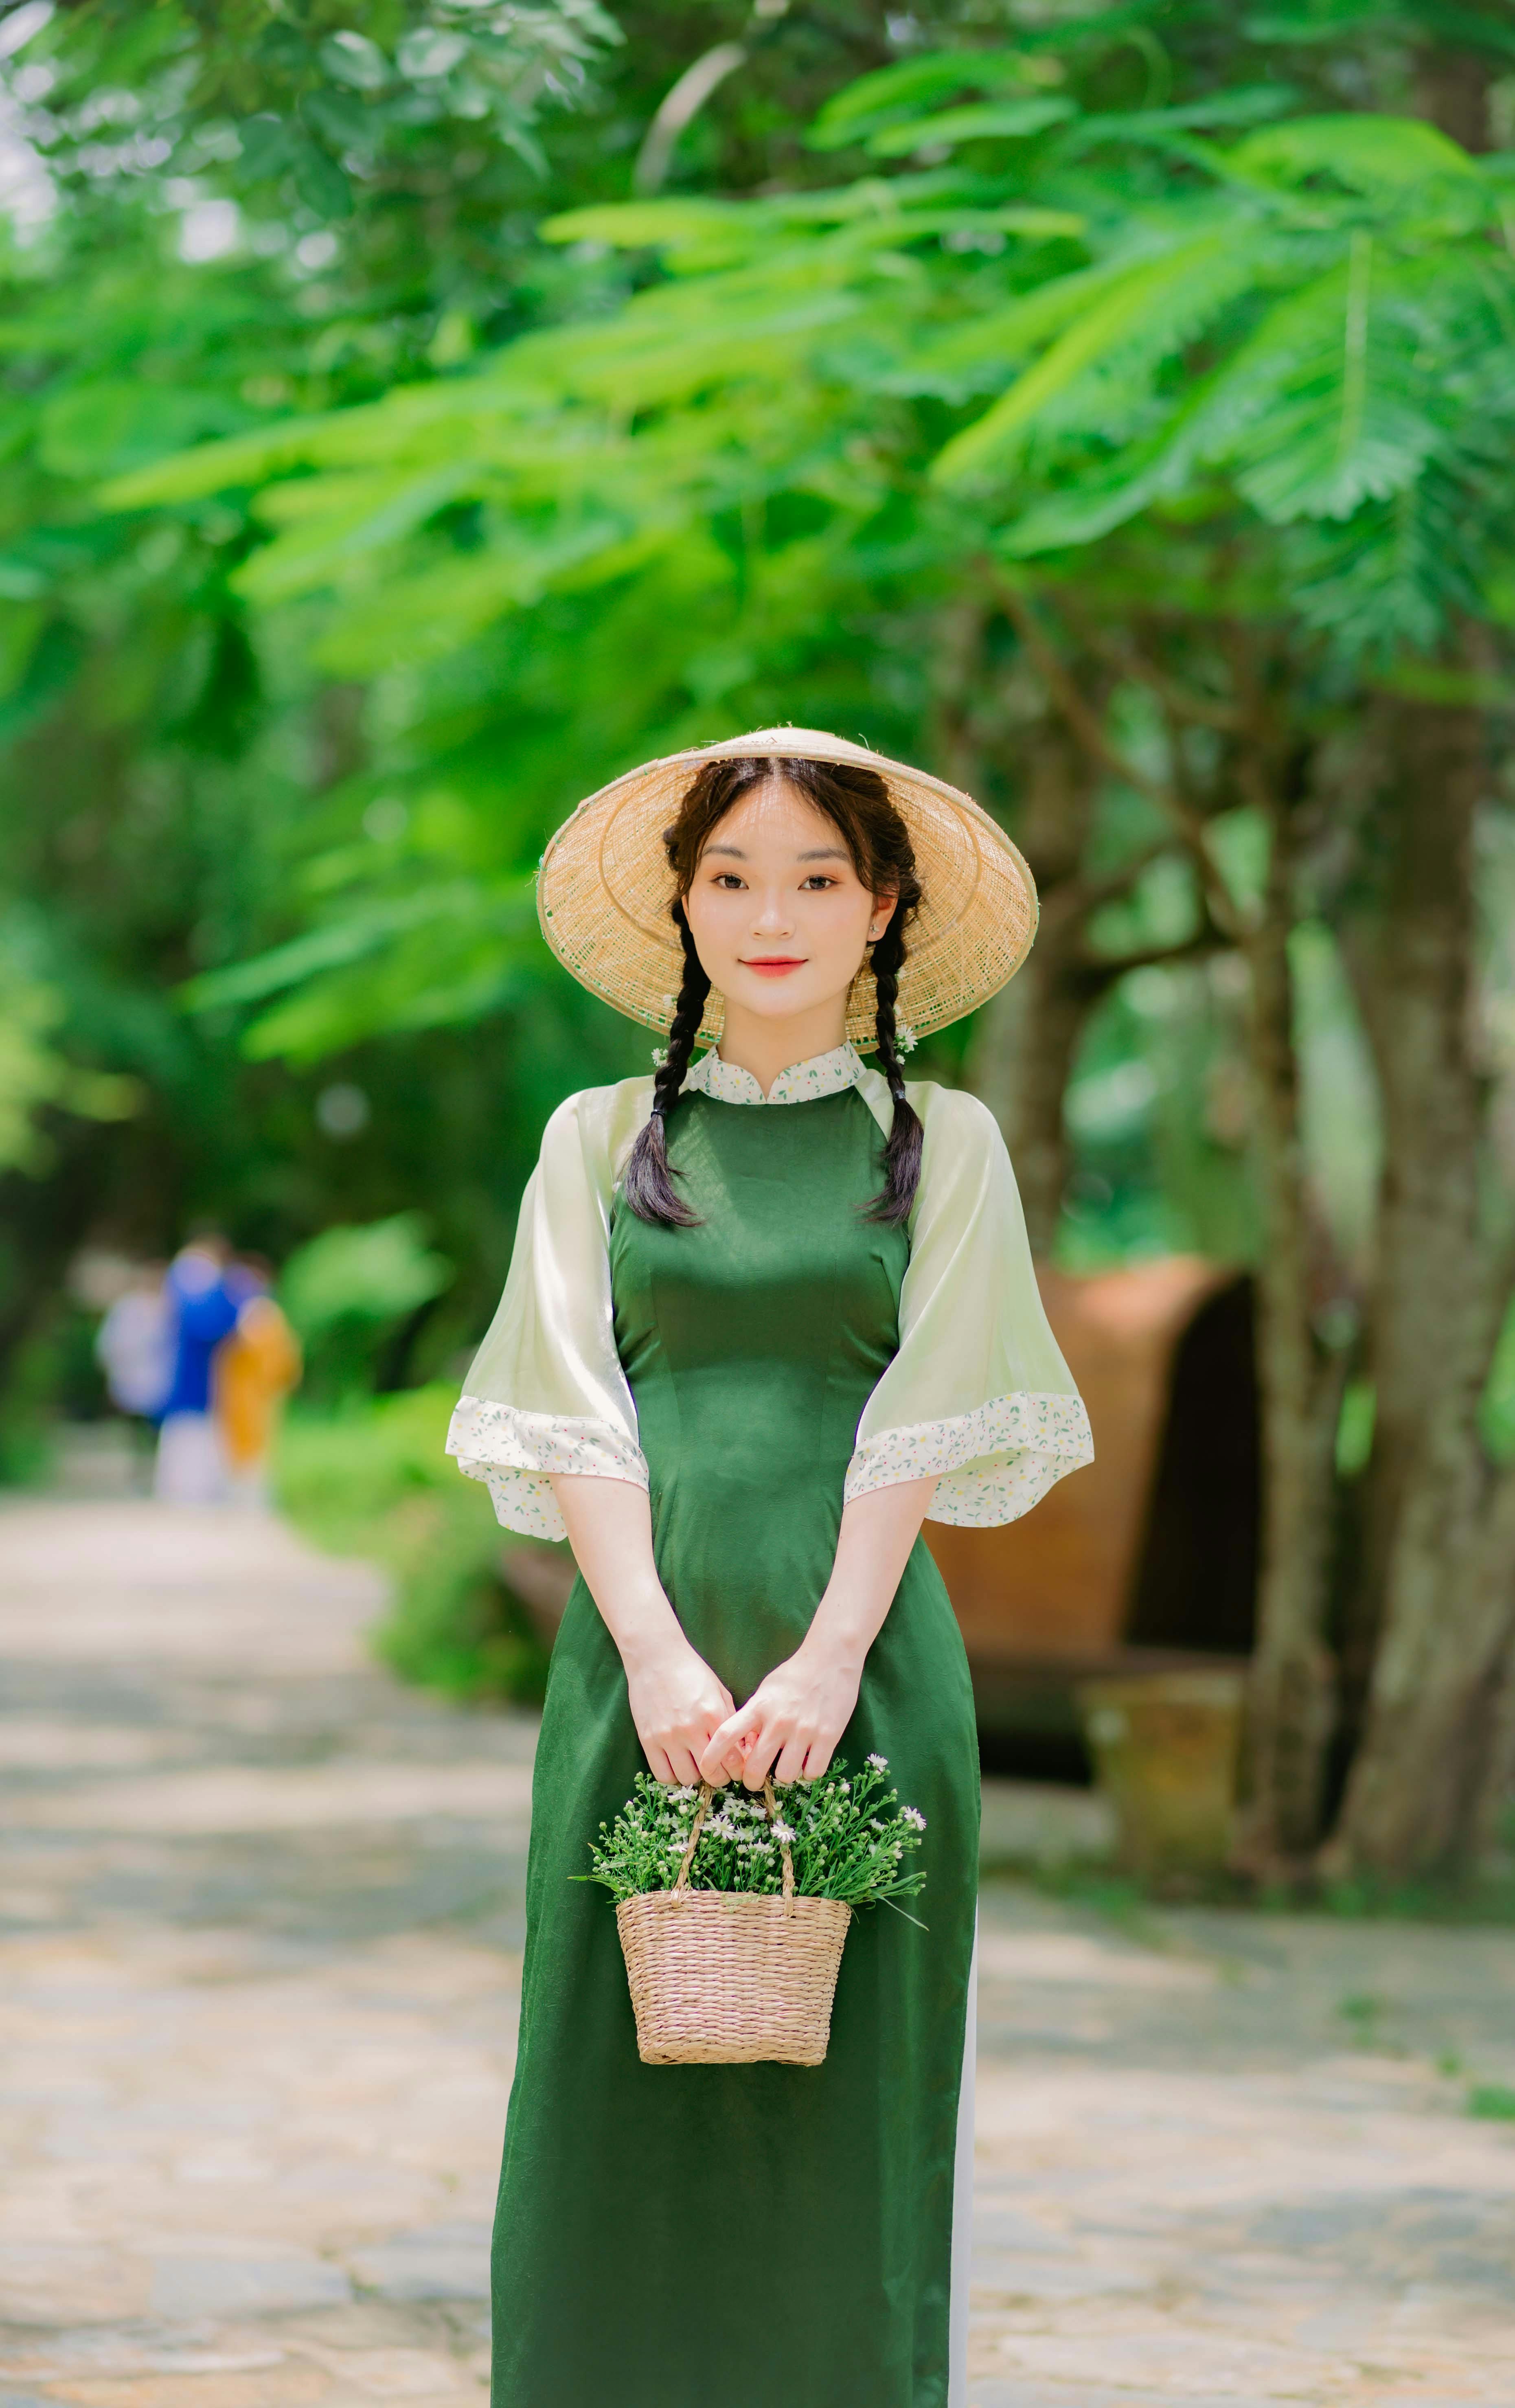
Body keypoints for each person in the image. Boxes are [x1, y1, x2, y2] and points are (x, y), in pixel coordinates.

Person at [447, 729, 1094, 2408]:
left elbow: (923, 1417)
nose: (773, 911)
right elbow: (569, 1407)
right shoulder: (595, 1138)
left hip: (863, 1656)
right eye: (732, 875)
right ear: (683, 904)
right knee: (603, 2083)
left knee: (853, 2101)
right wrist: (658, 1656)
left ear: (880, 908)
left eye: (817, 877)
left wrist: (820, 1664)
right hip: (635, 1655)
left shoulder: (943, 1142)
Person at [154, 1236, 240, 1504]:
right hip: (192, 1381)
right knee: (188, 1434)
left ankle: (195, 1490)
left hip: (206, 1381)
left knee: (197, 1435)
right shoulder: (191, 1288)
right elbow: (214, 1325)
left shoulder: (189, 1287)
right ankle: (186, 1491)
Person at [214, 1257, 302, 1509]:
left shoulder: (260, 1312)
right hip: (242, 1395)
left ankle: (255, 1503)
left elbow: (279, 1362)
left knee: (257, 1452)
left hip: (257, 1395)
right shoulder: (248, 1313)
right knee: (244, 1451)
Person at [94, 1260, 172, 1488]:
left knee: (154, 1428)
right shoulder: (127, 1308)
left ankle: (151, 1466)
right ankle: (141, 1465)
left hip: (159, 1381)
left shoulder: (167, 1307)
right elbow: (111, 1344)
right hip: (133, 1378)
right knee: (137, 1427)